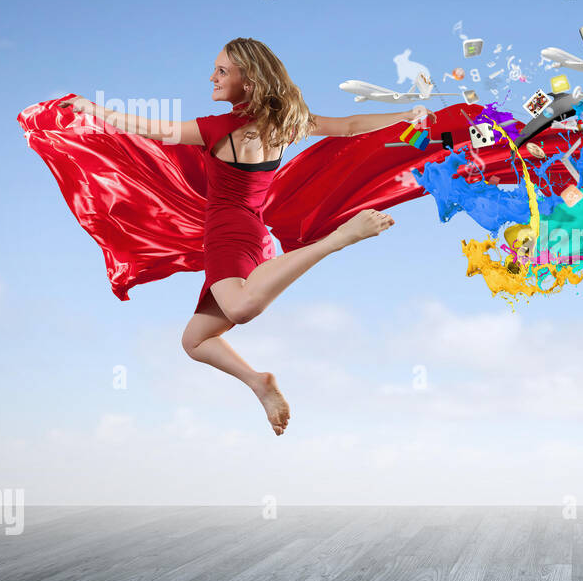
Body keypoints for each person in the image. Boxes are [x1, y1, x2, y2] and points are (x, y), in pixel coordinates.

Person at [57, 38, 432, 435]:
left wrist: (92, 109)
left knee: (240, 308)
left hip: (226, 234)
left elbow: (152, 128)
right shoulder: (286, 122)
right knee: (196, 341)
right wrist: (407, 115)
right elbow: (350, 126)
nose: (212, 78)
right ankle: (260, 382)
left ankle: (339, 238)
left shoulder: (220, 127)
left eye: (222, 71)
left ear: (248, 81)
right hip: (254, 235)